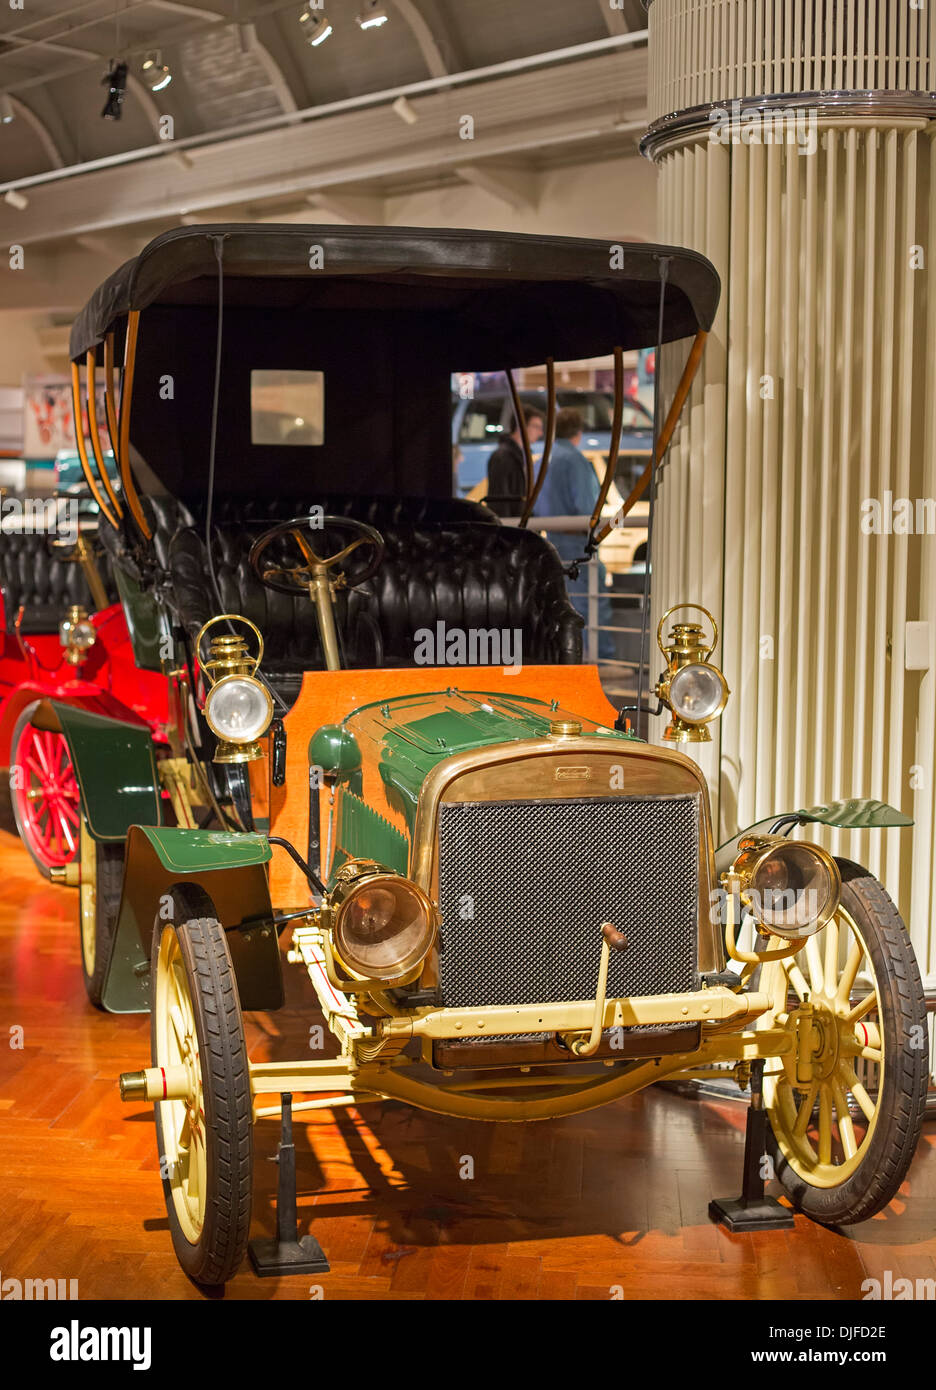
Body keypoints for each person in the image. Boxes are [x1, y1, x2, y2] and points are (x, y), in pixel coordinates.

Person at [533, 406, 614, 659]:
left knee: (564, 603)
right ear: (578, 432)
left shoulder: (544, 461)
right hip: (577, 543)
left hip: (552, 540)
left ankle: (574, 657)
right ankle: (602, 657)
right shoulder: (575, 461)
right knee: (591, 603)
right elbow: (586, 507)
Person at [485, 405, 544, 518]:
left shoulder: (520, 456)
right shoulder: (503, 458)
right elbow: (499, 500)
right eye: (536, 427)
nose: (540, 433)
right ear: (521, 426)